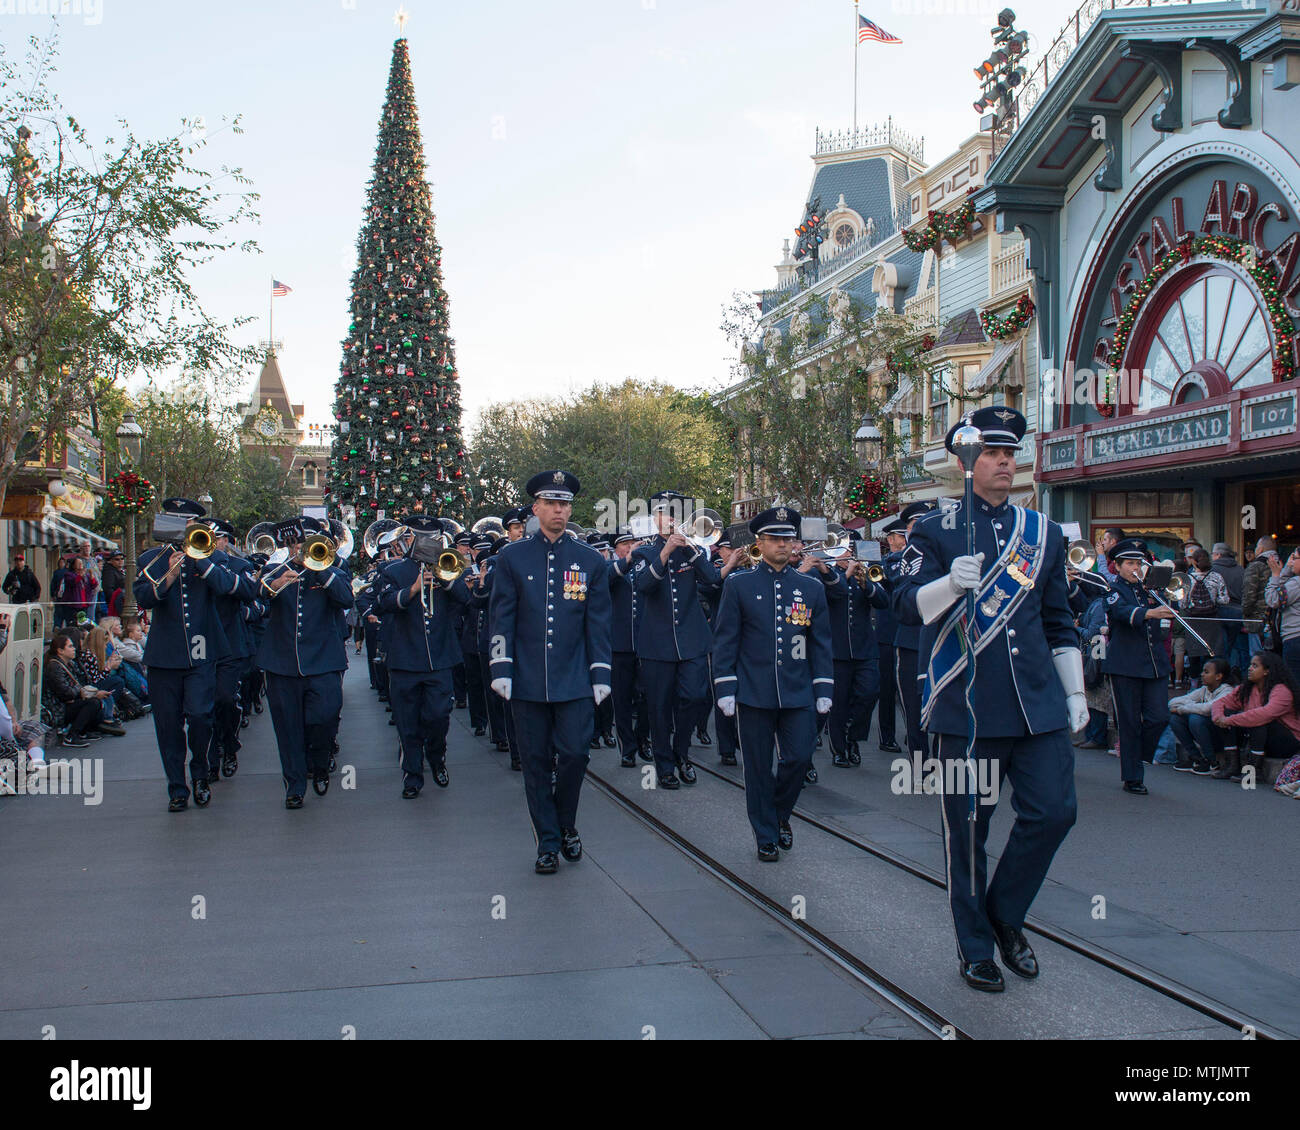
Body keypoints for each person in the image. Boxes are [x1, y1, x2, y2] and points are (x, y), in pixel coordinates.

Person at [895, 406, 1084, 993]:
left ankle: (1004, 914)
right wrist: (949, 583)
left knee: (1055, 811)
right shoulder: (935, 526)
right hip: (966, 705)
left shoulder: (1043, 533)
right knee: (968, 830)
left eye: (1011, 454)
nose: (1005, 463)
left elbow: (1059, 621)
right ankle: (975, 945)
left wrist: (1074, 688)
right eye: (994, 454)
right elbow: (903, 601)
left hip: (1037, 704)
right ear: (967, 461)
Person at [488, 470, 612, 875]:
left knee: (575, 755)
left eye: (565, 504)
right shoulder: (512, 557)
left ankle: (567, 822)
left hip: (574, 678)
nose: (559, 510)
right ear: (536, 508)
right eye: (551, 503)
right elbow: (501, 616)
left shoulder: (590, 560)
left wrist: (601, 673)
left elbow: (598, 622)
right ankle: (548, 842)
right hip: (525, 680)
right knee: (536, 763)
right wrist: (501, 665)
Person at [713, 506, 833, 861]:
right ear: (760, 542)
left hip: (798, 692)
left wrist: (824, 687)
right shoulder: (739, 584)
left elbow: (821, 642)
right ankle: (765, 832)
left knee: (797, 759)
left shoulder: (810, 587)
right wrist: (725, 687)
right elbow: (725, 641)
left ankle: (780, 813)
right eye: (775, 539)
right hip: (754, 692)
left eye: (788, 538)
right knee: (758, 767)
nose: (783, 545)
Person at [133, 497, 245, 812]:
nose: (183, 529)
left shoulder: (210, 557)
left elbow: (228, 588)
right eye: (177, 522)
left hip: (201, 652)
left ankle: (200, 773)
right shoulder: (151, 558)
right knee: (168, 728)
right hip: (164, 656)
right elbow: (142, 595)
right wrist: (168, 576)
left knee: (199, 716)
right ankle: (177, 789)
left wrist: (201, 560)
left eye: (189, 523)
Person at [258, 517, 353, 807]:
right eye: (298, 543)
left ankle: (321, 763)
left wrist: (320, 570)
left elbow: (346, 599)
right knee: (287, 728)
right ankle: (295, 785)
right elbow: (255, 597)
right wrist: (274, 583)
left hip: (323, 661)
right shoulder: (274, 571)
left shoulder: (333, 571)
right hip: (281, 664)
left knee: (324, 717)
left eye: (308, 543)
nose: (302, 548)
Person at [631, 491, 721, 789]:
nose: (670, 520)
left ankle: (682, 753)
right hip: (657, 644)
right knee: (658, 706)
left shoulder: (694, 549)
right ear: (654, 519)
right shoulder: (644, 552)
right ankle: (664, 764)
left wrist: (692, 551)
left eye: (674, 515)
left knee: (694, 697)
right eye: (664, 515)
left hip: (692, 640)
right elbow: (644, 585)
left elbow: (713, 579)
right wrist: (666, 551)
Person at [376, 516, 471, 799]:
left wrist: (446, 579)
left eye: (431, 537)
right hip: (405, 659)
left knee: (438, 716)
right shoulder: (393, 570)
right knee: (408, 721)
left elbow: (467, 599)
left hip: (440, 658)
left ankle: (437, 757)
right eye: (419, 537)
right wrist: (413, 589)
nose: (425, 542)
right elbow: (383, 603)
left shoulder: (449, 568)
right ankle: (413, 775)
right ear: (409, 540)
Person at [1100, 539, 1171, 795]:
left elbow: (1167, 614)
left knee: (1160, 717)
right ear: (1117, 566)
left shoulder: (1151, 589)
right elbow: (1119, 611)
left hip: (1155, 664)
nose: (1135, 568)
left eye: (1138, 563)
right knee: (1129, 722)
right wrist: (1150, 613)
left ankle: (1136, 754)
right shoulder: (1112, 588)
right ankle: (1133, 777)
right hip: (1125, 665)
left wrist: (1168, 604)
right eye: (1129, 563)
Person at [810, 550, 886, 768]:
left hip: (865, 649)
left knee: (869, 692)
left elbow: (883, 602)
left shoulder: (867, 575)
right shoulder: (826, 575)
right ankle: (839, 749)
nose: (849, 556)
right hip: (837, 650)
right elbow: (834, 595)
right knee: (838, 702)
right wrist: (846, 576)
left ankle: (853, 736)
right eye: (845, 552)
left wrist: (865, 584)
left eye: (851, 552)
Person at [885, 501, 935, 773]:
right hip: (911, 640)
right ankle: (920, 764)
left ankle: (944, 762)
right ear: (908, 530)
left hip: (941, 637)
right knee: (913, 708)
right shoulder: (904, 557)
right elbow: (899, 584)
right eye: (918, 525)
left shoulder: (945, 552)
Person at [1210, 650, 1300, 782]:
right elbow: (1220, 702)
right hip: (1260, 739)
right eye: (1250, 665)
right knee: (1229, 713)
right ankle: (1232, 766)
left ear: (1266, 671)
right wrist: (1218, 718)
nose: (1249, 669)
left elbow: (1264, 714)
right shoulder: (1247, 688)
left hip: (1287, 742)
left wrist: (1229, 720)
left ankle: (1254, 771)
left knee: (1259, 721)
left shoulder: (1282, 690)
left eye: (1255, 666)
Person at [42, 632, 110, 748]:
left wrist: (83, 692)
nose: (74, 649)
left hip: (67, 703)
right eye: (70, 646)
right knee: (93, 703)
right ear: (60, 651)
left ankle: (83, 732)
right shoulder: (54, 667)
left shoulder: (70, 664)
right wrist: (81, 692)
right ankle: (71, 736)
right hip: (57, 709)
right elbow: (65, 692)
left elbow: (81, 684)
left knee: (97, 700)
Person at [1167, 657, 1233, 774]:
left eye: (1206, 672)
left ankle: (1212, 761)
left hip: (1222, 736)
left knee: (1195, 719)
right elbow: (1172, 702)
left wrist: (1183, 708)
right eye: (1203, 671)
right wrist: (1193, 705)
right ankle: (1197, 758)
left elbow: (1208, 708)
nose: (1202, 675)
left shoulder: (1227, 691)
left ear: (1218, 676)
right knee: (1176, 719)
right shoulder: (1203, 690)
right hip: (1205, 733)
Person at [874, 521, 905, 754]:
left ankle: (915, 732)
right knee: (887, 689)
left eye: (898, 536)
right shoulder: (884, 565)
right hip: (887, 633)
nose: (895, 541)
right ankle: (887, 735)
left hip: (911, 632)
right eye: (895, 537)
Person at [1180, 548, 1227, 679]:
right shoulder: (1217, 577)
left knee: (1193, 653)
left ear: (1194, 562)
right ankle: (1210, 682)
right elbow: (1224, 600)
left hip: (1193, 620)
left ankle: (1194, 683)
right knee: (1210, 653)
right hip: (1211, 620)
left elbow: (1182, 604)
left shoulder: (1188, 578)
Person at [1264, 547, 1300, 686]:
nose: (1291, 562)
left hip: (1295, 637)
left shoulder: (1297, 583)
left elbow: (1273, 599)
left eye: (1294, 558)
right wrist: (1285, 571)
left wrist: (1275, 575)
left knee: (1294, 682)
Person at [1211, 542, 1247, 673]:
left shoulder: (1213, 570)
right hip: (1238, 612)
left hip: (1219, 611)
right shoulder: (1241, 569)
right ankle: (1238, 675)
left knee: (1221, 648)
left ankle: (1224, 677)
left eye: (1213, 554)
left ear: (1218, 554)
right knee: (1238, 647)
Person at [1242, 536, 1277, 654]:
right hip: (1278, 619)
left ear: (1261, 549)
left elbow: (1249, 594)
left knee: (1258, 655)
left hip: (1257, 618)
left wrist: (1245, 612)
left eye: (1257, 547)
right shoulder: (1284, 564)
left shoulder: (1255, 566)